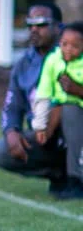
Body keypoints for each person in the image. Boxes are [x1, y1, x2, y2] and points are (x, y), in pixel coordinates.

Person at [0, 3, 68, 192]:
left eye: (41, 24)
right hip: (42, 136)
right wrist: (11, 131)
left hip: (71, 131)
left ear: (58, 27)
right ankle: (59, 173)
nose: (34, 29)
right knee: (1, 151)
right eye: (30, 24)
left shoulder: (72, 56)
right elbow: (11, 106)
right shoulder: (23, 65)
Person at [33, 22, 83, 200]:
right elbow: (43, 94)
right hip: (58, 111)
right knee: (48, 129)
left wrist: (78, 90)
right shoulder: (52, 61)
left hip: (77, 113)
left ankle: (75, 180)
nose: (68, 49)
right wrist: (40, 125)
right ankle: (59, 176)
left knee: (70, 111)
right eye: (64, 44)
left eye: (75, 46)